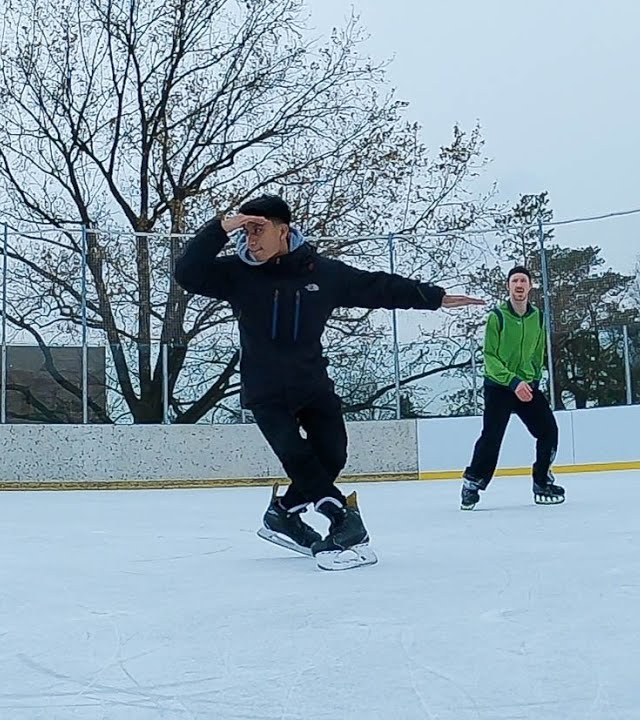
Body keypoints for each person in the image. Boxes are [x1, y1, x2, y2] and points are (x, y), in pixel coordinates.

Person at [172, 194, 484, 568]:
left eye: (258, 229)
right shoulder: (236, 275)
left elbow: (377, 287)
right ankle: (343, 518)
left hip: (312, 384)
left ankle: (283, 513)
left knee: (332, 455)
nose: (250, 239)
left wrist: (434, 298)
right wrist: (223, 226)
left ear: (283, 230)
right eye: (246, 230)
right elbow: (187, 272)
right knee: (298, 458)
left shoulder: (320, 272)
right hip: (265, 391)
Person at [459, 265, 565, 510]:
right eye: (515, 280)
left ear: (530, 286)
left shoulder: (538, 317)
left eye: (523, 281)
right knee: (492, 436)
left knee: (548, 431)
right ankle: (472, 484)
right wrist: (513, 382)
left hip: (527, 385)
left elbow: (538, 351)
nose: (519, 285)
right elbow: (490, 357)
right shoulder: (497, 317)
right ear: (508, 286)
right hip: (499, 386)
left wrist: (532, 379)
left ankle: (542, 482)